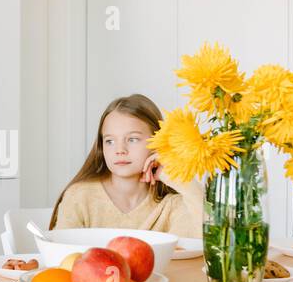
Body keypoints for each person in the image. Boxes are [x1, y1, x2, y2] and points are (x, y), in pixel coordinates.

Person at [49, 94, 203, 237]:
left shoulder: (173, 203)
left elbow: (205, 241)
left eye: (132, 139)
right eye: (110, 141)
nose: (120, 150)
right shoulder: (80, 196)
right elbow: (62, 254)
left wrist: (180, 179)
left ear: (157, 141)